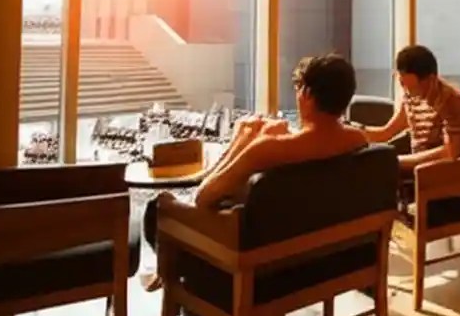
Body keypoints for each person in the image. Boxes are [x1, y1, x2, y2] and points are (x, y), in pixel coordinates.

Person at [140, 54, 370, 289]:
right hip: (319, 258)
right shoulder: (357, 140)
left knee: (157, 208)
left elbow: (203, 196)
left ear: (307, 94)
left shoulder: (269, 149)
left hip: (262, 269)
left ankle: (174, 280)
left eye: (298, 89)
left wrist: (241, 140)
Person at [364, 45, 460, 171]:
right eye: (403, 85)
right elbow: (387, 132)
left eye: (413, 88)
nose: (409, 93)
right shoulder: (410, 96)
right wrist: (355, 132)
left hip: (444, 172)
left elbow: (451, 152)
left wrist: (397, 161)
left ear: (431, 79)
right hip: (416, 167)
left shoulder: (451, 101)